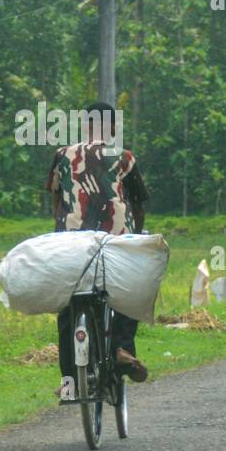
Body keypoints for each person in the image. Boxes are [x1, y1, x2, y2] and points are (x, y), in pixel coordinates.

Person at [44, 101, 149, 401]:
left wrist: (60, 231)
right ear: (113, 128)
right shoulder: (125, 158)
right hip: (115, 244)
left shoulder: (63, 155)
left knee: (68, 310)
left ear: (84, 126)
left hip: (72, 245)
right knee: (131, 290)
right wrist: (137, 234)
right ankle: (123, 348)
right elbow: (138, 205)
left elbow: (56, 200)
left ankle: (69, 382)